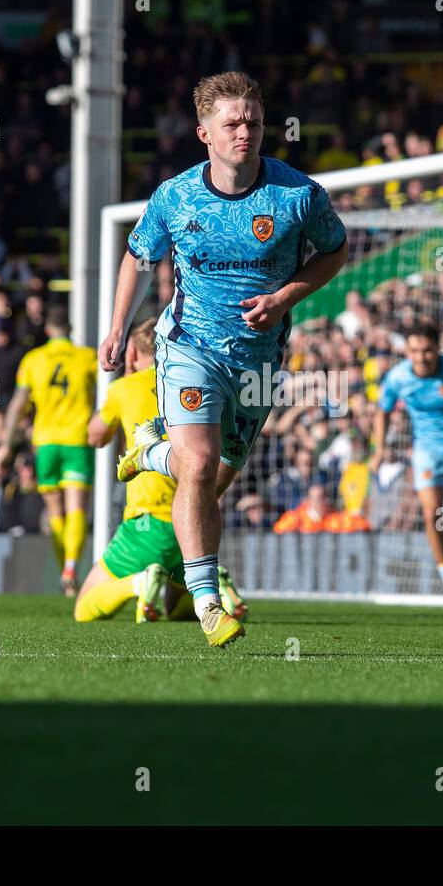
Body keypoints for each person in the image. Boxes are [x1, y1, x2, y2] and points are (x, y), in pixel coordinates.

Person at [101, 71, 347, 648]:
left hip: (259, 362)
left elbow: (335, 252)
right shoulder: (175, 196)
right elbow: (139, 260)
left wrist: (286, 296)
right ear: (204, 133)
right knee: (202, 461)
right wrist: (116, 328)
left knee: (213, 478)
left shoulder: (298, 196)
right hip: (189, 346)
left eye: (254, 123)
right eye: (233, 123)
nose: (246, 132)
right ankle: (209, 604)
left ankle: (151, 450)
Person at [77, 319, 247, 624]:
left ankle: (139, 582)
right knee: (176, 611)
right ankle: (217, 589)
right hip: (194, 521)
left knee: (84, 607)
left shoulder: (124, 388)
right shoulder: (193, 385)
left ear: (132, 354)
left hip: (148, 524)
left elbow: (95, 437)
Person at [369, 320, 443, 606]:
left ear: (437, 349)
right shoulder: (398, 378)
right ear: (406, 351)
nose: (421, 357)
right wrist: (380, 448)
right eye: (414, 351)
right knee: (432, 514)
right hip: (427, 454)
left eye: (427, 350)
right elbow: (382, 411)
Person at [0, 304, 97, 596]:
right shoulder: (87, 357)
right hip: (78, 439)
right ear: (70, 329)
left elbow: (17, 405)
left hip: (46, 442)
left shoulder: (34, 359)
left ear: (48, 330)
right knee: (77, 507)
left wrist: (6, 445)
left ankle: (64, 572)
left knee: (55, 510)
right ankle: (71, 567)